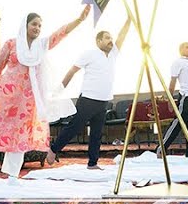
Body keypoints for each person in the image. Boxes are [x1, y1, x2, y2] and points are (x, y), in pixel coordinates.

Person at [0, 8, 87, 179]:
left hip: (27, 100)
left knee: (20, 135)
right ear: (25, 25)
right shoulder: (11, 44)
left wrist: (79, 19)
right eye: (34, 24)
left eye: (40, 25)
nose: (37, 28)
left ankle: (12, 176)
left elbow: (61, 33)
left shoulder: (41, 46)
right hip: (5, 96)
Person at [48, 14, 133, 169]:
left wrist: (128, 20)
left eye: (110, 38)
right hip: (88, 99)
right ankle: (54, 148)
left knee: (96, 134)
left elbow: (122, 36)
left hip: (103, 101)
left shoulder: (113, 54)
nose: (110, 40)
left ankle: (92, 163)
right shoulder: (90, 54)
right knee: (74, 127)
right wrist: (59, 89)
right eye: (107, 38)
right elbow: (72, 71)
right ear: (98, 41)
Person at [159, 20, 188, 157]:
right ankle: (162, 148)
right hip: (187, 97)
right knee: (178, 124)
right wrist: (169, 100)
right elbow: (172, 82)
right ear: (181, 50)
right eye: (187, 47)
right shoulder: (178, 62)